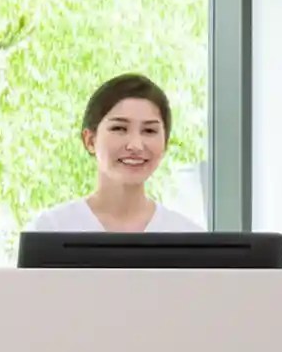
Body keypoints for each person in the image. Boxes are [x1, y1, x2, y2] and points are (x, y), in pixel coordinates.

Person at [26, 73, 202, 233]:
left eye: (149, 131)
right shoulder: (51, 229)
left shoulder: (188, 235)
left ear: (165, 143)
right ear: (90, 140)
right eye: (119, 128)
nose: (135, 145)